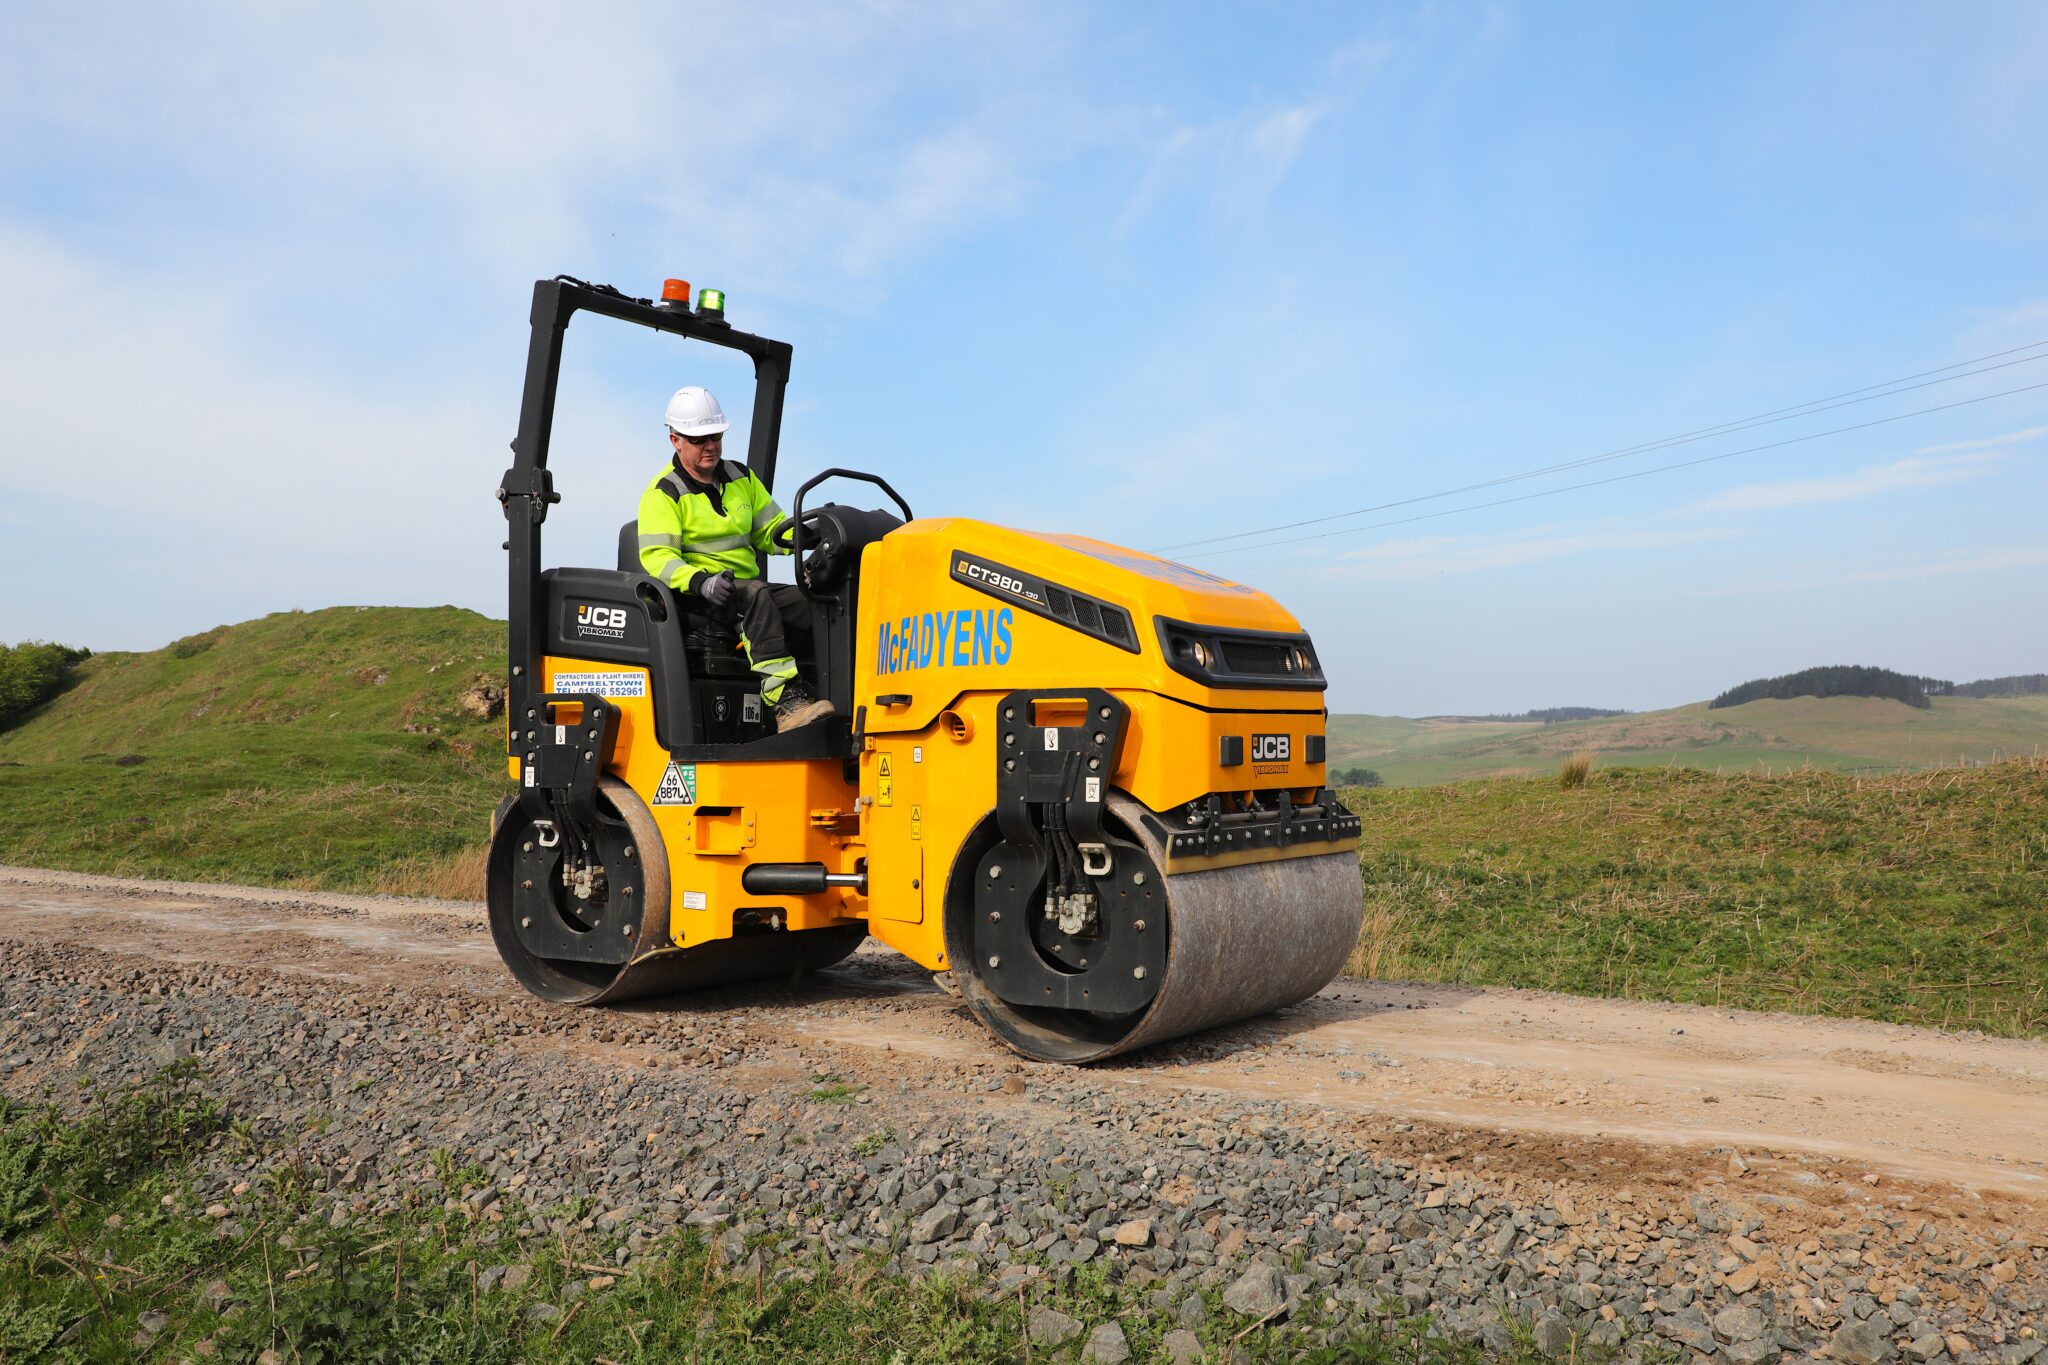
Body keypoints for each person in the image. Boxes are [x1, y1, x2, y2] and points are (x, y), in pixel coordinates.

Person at [637, 386, 835, 732]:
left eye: (716, 436)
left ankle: (835, 687)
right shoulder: (663, 494)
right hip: (698, 597)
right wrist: (701, 581)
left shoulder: (741, 478)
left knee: (814, 600)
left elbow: (771, 530)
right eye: (699, 439)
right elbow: (658, 557)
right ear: (675, 440)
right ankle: (786, 704)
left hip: (746, 589)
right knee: (755, 595)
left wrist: (810, 535)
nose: (710, 446)